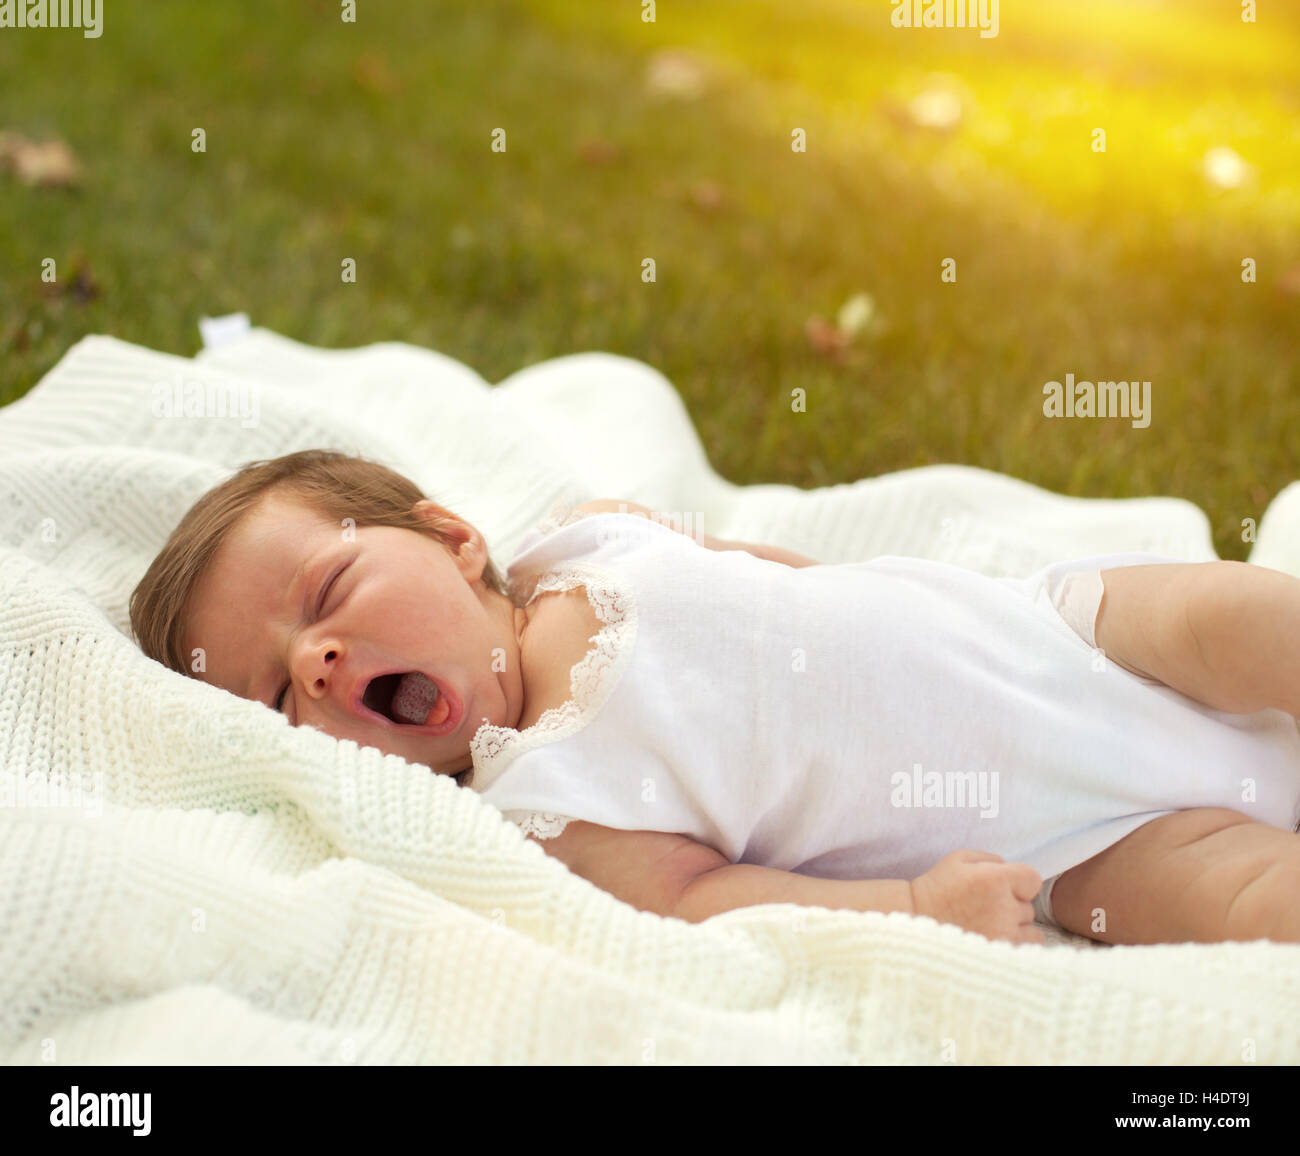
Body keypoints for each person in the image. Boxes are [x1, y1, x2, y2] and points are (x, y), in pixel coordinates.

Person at [128, 449, 1300, 948]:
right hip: (1080, 840)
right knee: (1250, 907)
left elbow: (768, 576)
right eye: (280, 694)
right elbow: (707, 902)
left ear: (449, 536)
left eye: (327, 591)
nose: (321, 666)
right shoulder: (551, 809)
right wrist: (912, 905)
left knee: (1246, 620)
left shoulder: (587, 546)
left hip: (1059, 634)